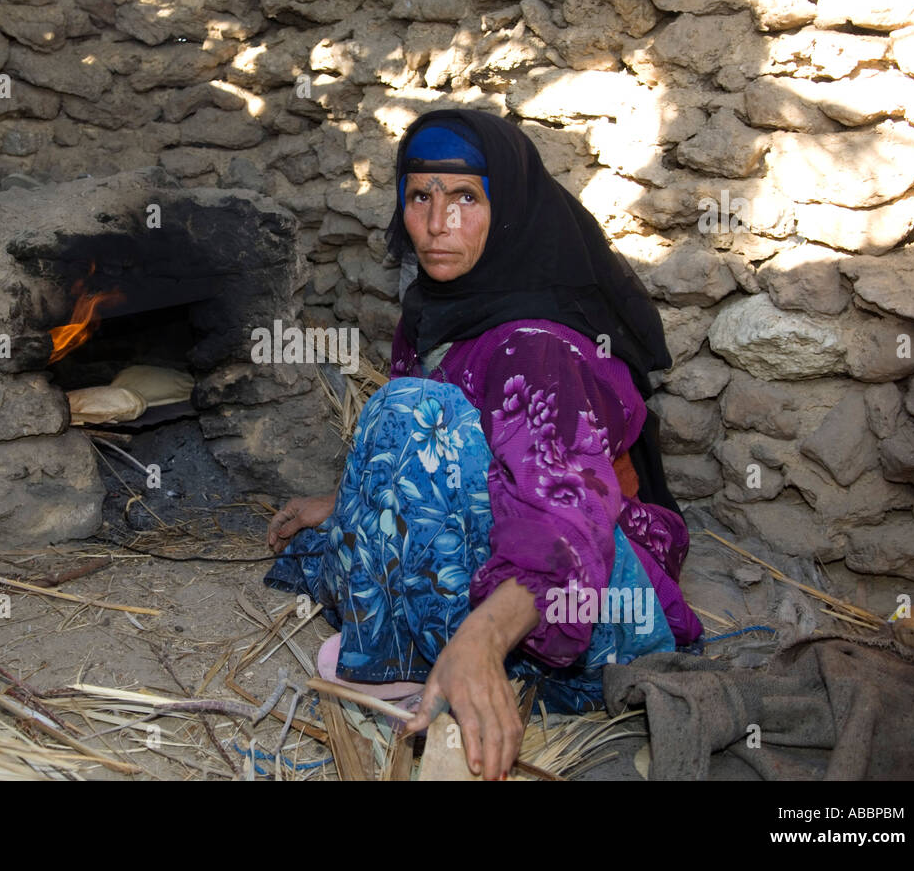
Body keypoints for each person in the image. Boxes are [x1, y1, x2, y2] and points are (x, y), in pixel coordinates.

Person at [264, 109, 703, 781]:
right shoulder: (439, 308)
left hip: (584, 591)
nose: (438, 223)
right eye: (420, 197)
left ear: (510, 208)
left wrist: (483, 639)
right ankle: (430, 651)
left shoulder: (539, 347)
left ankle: (455, 663)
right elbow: (448, 457)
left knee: (413, 414)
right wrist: (346, 495)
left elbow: (569, 523)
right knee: (346, 516)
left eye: (466, 196)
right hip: (506, 532)